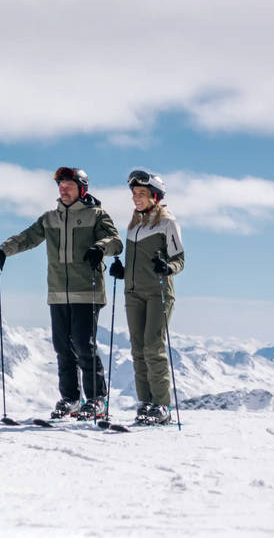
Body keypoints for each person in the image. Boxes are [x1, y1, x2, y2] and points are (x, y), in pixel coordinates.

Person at [0, 167, 121, 420]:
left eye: (69, 185)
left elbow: (115, 241)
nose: (63, 189)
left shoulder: (96, 215)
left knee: (84, 345)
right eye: (60, 186)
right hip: (58, 292)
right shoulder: (50, 218)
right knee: (63, 348)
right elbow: (27, 237)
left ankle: (96, 400)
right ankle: (71, 399)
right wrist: (3, 250)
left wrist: (99, 248)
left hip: (87, 291)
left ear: (82, 189)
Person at [108, 169, 185, 426]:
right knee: (138, 350)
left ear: (155, 196)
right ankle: (146, 403)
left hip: (158, 292)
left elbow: (179, 260)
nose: (136, 198)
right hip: (133, 293)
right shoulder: (133, 226)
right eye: (134, 194)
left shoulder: (168, 224)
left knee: (153, 347)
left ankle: (162, 406)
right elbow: (136, 263)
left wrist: (168, 267)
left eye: (141, 193)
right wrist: (122, 272)